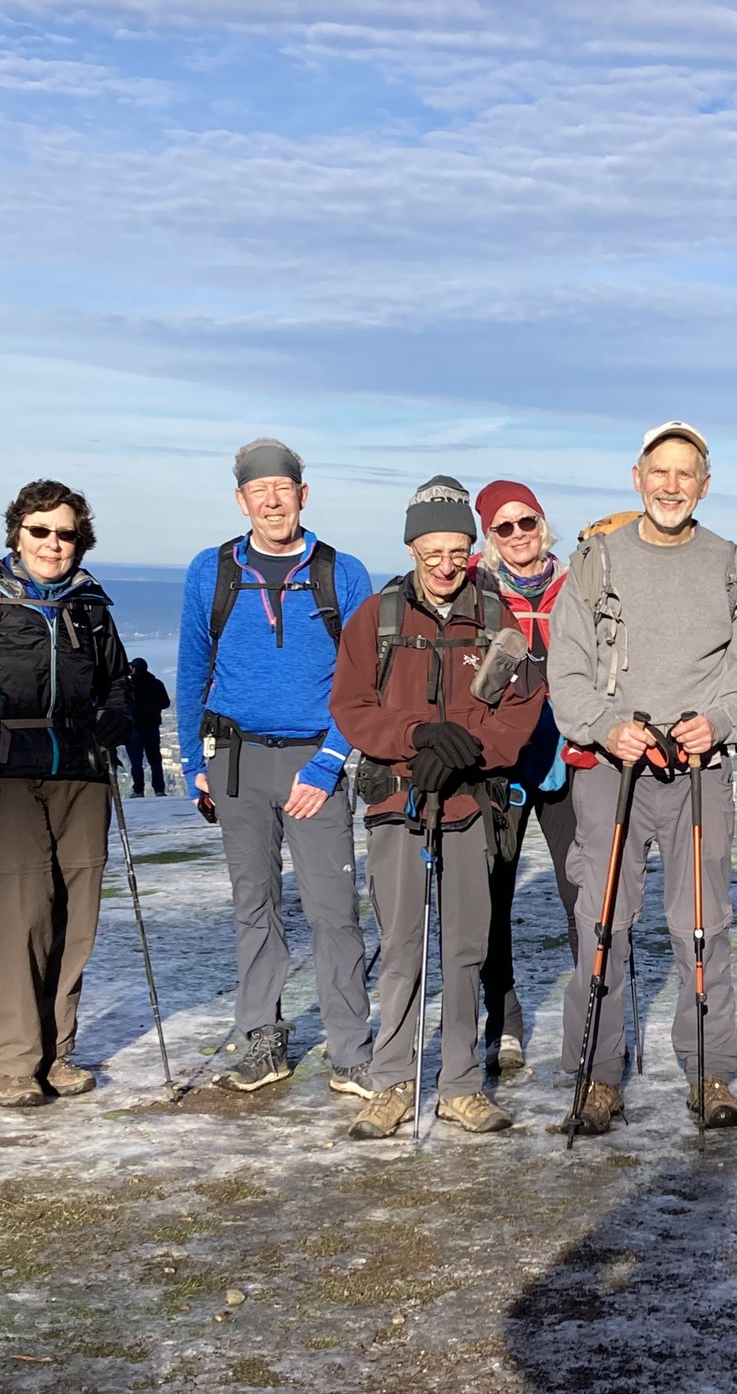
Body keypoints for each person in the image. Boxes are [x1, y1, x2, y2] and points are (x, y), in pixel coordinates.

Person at [547, 421, 737, 1135]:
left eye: (686, 473)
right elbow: (566, 671)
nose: (671, 486)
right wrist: (604, 725)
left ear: (704, 484)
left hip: (700, 774)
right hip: (611, 774)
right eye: (660, 471)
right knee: (602, 926)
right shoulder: (595, 563)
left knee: (702, 927)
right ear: (637, 478)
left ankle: (710, 1074)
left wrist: (721, 721)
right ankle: (597, 1078)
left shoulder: (735, 567)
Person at [329, 477, 542, 1139]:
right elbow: (351, 706)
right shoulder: (378, 618)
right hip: (398, 802)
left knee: (467, 949)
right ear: (412, 548)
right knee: (402, 949)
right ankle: (392, 1083)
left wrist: (466, 751)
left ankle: (460, 1087)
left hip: (472, 804)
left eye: (457, 552)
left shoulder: (497, 619)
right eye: (432, 554)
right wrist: (417, 737)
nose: (446, 567)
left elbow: (522, 708)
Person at [0, 479, 131, 1107]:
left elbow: (118, 681)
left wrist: (117, 718)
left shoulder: (90, 605)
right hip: (1, 774)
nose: (52, 544)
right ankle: (16, 1064)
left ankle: (56, 1053)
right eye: (40, 531)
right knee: (15, 919)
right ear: (17, 533)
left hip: (81, 775)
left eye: (66, 534)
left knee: (74, 919)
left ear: (80, 541)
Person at [175, 438, 375, 1095]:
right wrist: (193, 761)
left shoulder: (342, 573)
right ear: (241, 500)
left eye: (282, 488)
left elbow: (362, 680)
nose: (271, 501)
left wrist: (328, 765)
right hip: (234, 762)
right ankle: (263, 1042)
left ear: (302, 495)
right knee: (253, 906)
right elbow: (193, 669)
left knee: (333, 911)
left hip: (313, 762)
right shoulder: (211, 571)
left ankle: (351, 1052)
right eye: (258, 490)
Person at [470, 479, 579, 1072]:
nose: (518, 535)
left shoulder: (578, 583)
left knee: (583, 892)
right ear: (489, 535)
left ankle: (593, 1018)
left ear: (542, 523)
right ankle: (503, 1021)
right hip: (498, 763)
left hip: (569, 757)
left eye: (527, 522)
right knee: (493, 894)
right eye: (503, 527)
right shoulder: (476, 588)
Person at [125, 658, 171, 796]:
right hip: (152, 727)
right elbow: (165, 703)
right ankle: (159, 789)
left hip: (134, 728)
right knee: (155, 761)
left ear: (133, 669)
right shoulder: (156, 684)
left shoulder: (129, 686)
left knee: (136, 762)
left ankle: (138, 790)